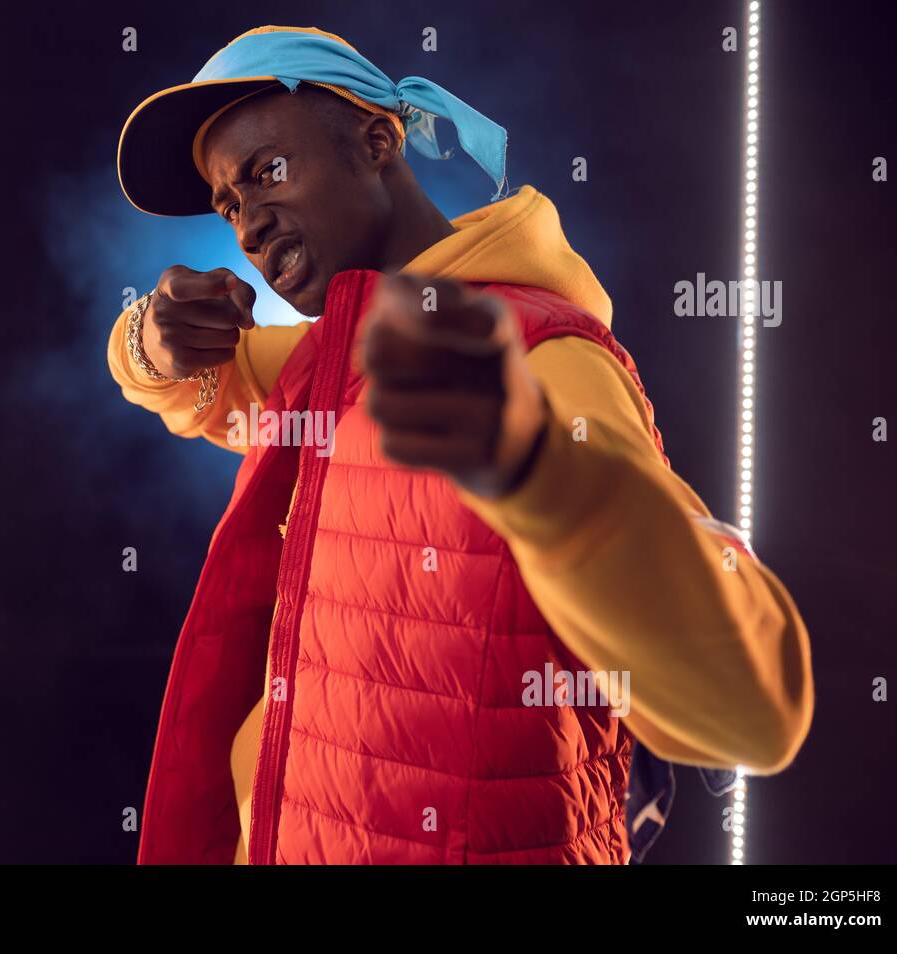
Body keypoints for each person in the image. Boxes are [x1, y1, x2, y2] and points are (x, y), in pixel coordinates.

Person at [107, 25, 813, 864]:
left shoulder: (547, 360)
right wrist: (154, 335)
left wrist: (538, 474)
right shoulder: (329, 364)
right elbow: (195, 394)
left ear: (378, 143)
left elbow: (751, 710)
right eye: (228, 205)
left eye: (268, 172)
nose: (248, 228)